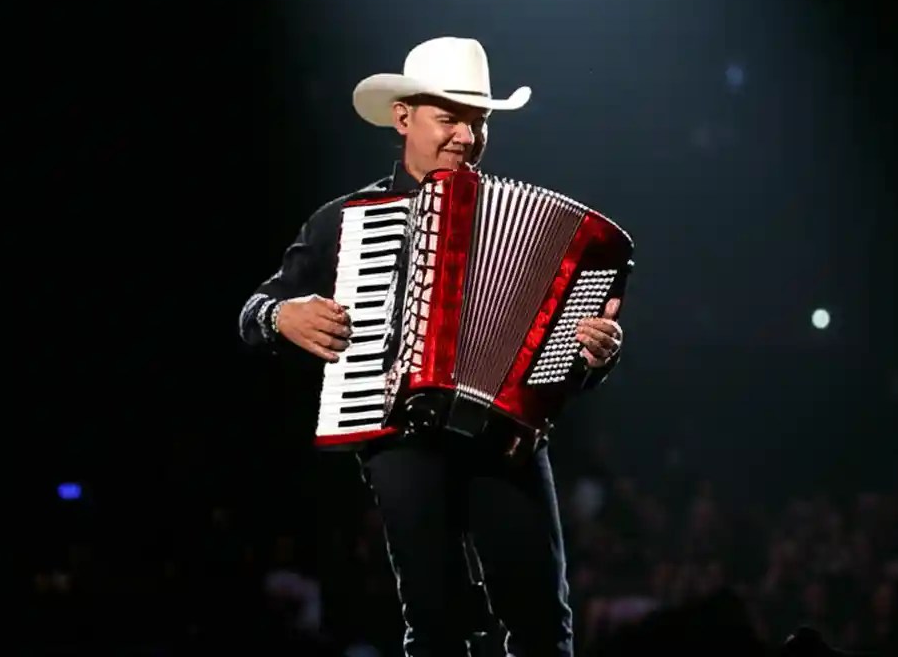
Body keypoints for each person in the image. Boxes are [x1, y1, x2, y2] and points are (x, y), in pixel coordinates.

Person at [238, 36, 626, 656]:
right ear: (403, 117)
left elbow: (559, 370)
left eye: (478, 122)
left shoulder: (534, 221)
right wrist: (282, 316)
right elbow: (252, 312)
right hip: (399, 435)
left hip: (505, 438)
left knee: (541, 626)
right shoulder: (347, 220)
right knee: (435, 622)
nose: (465, 138)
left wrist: (591, 355)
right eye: (450, 118)